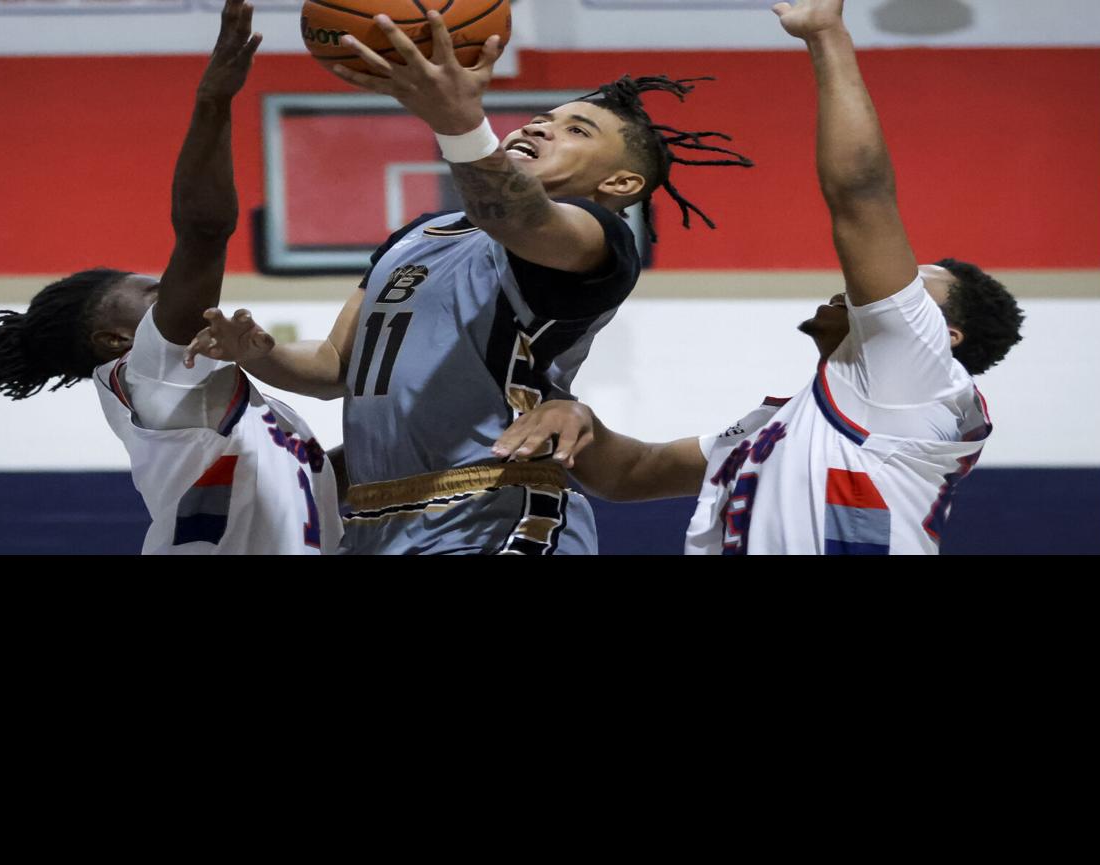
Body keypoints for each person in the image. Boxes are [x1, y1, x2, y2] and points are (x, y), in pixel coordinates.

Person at [187, 12, 753, 554]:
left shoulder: (596, 238)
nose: (540, 125)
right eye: (544, 119)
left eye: (576, 129)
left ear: (621, 182)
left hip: (498, 510)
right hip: (371, 522)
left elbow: (517, 217)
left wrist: (457, 120)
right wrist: (262, 354)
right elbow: (336, 366)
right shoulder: (422, 233)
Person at [489, 0, 1026, 555]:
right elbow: (633, 473)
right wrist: (579, 417)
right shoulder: (785, 427)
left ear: (942, 336)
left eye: (914, 287)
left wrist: (826, 36)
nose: (866, 287)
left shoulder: (919, 381)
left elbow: (861, 195)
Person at [0, 0, 342, 555]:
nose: (179, 295)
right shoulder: (155, 372)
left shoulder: (222, 405)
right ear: (117, 341)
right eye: (154, 294)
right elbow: (204, 231)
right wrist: (213, 104)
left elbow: (311, 486)